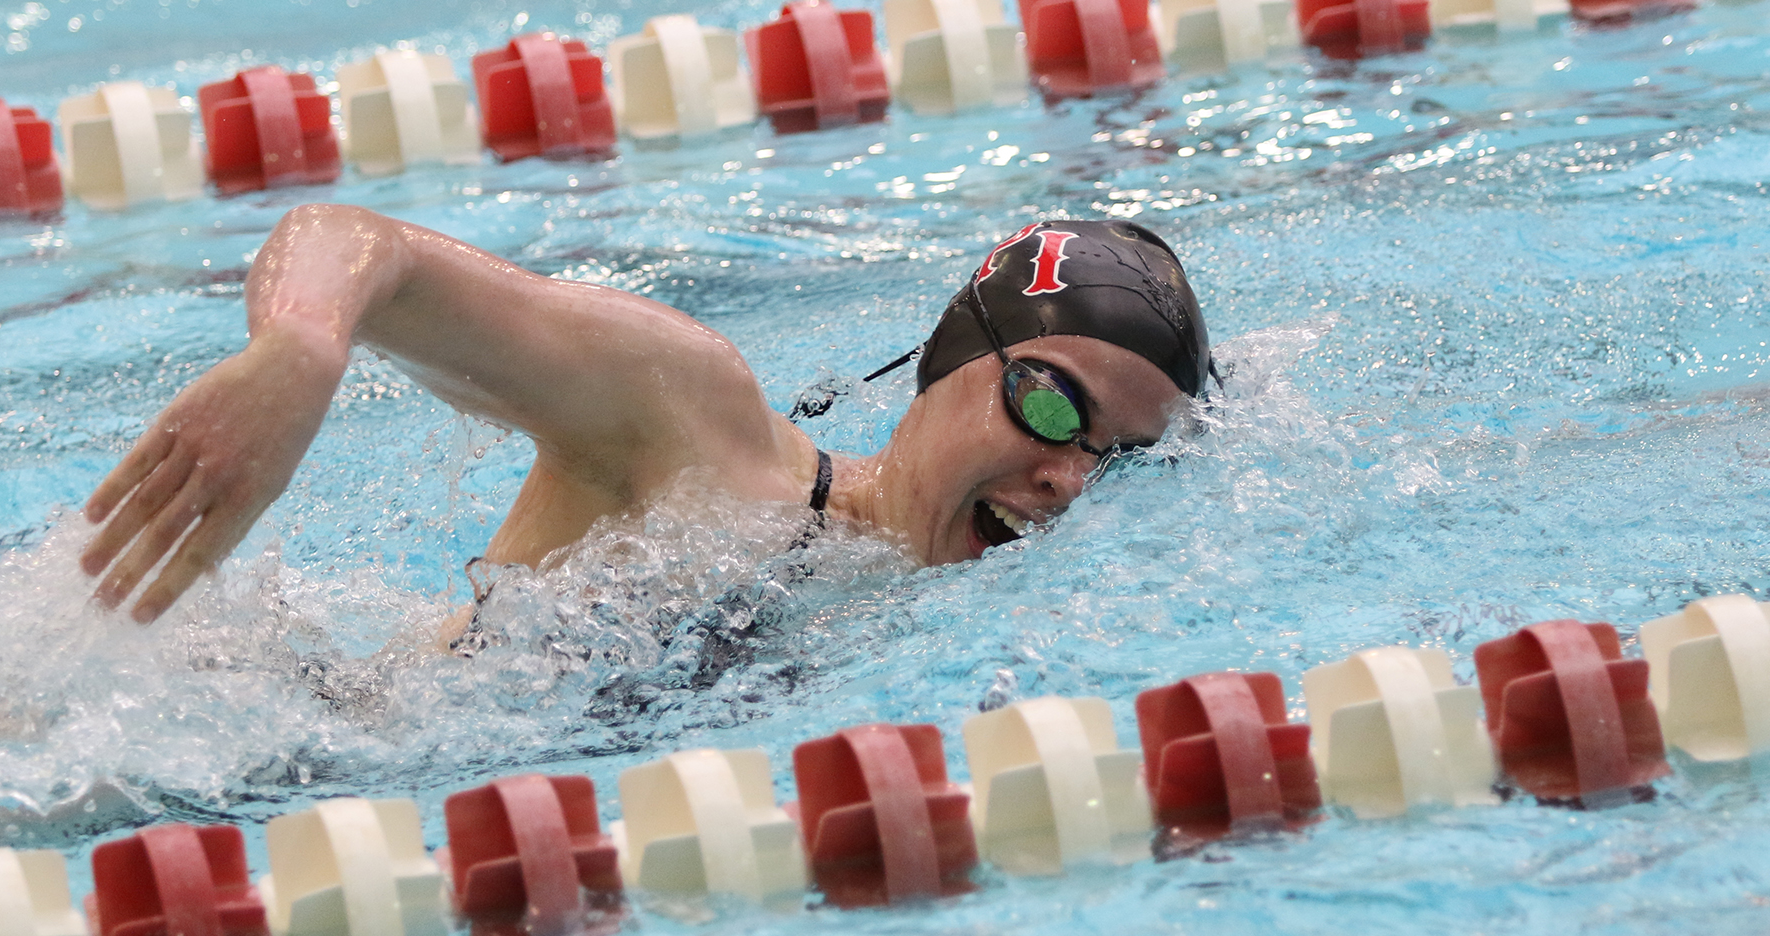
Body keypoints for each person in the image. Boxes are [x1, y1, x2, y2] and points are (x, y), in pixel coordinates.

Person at [78, 209, 1213, 626]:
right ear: (956, 356)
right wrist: (302, 348)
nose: (1071, 476)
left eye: (1118, 456)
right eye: (1056, 403)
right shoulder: (697, 422)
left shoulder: (964, 630)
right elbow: (355, 244)